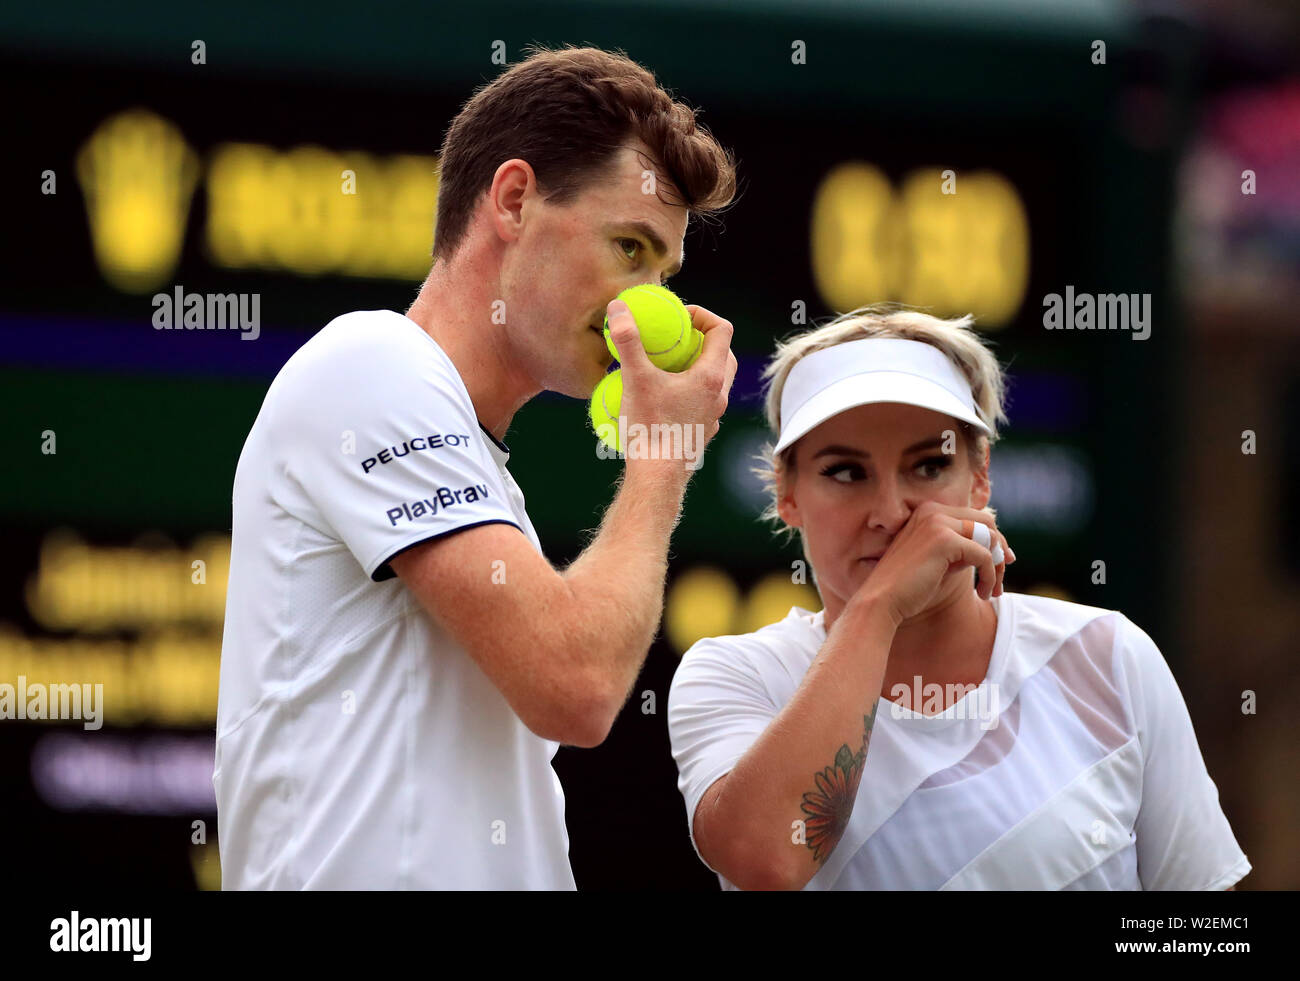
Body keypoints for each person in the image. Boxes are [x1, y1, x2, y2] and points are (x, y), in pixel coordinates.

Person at [214, 45, 738, 889]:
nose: (654, 308)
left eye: (664, 272)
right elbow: (576, 685)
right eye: (629, 248)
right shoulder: (371, 360)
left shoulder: (481, 471)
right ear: (514, 200)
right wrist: (663, 453)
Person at [666, 306, 1251, 891]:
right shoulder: (734, 674)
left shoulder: (1108, 653)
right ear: (788, 492)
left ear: (980, 477)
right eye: (846, 472)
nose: (891, 514)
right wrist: (879, 608)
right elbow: (767, 862)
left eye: (928, 465)